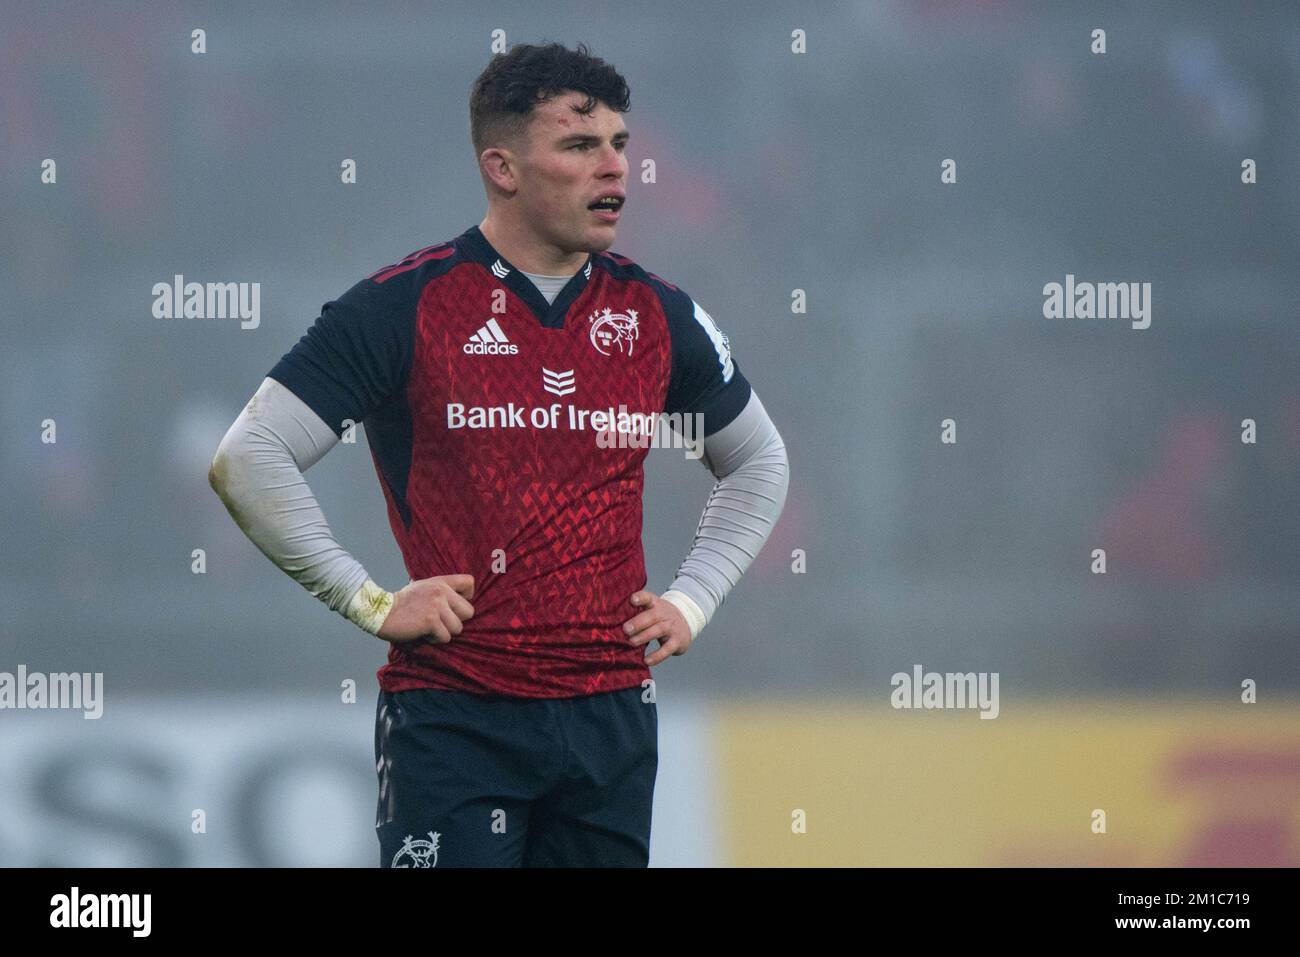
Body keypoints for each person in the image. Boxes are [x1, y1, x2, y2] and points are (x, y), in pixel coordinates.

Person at [208, 41, 789, 867]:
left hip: (610, 718)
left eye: (621, 145)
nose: (615, 170)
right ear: (503, 167)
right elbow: (250, 455)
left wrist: (694, 598)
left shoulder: (658, 314)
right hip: (456, 718)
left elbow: (759, 463)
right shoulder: (402, 306)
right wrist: (369, 601)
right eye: (580, 146)